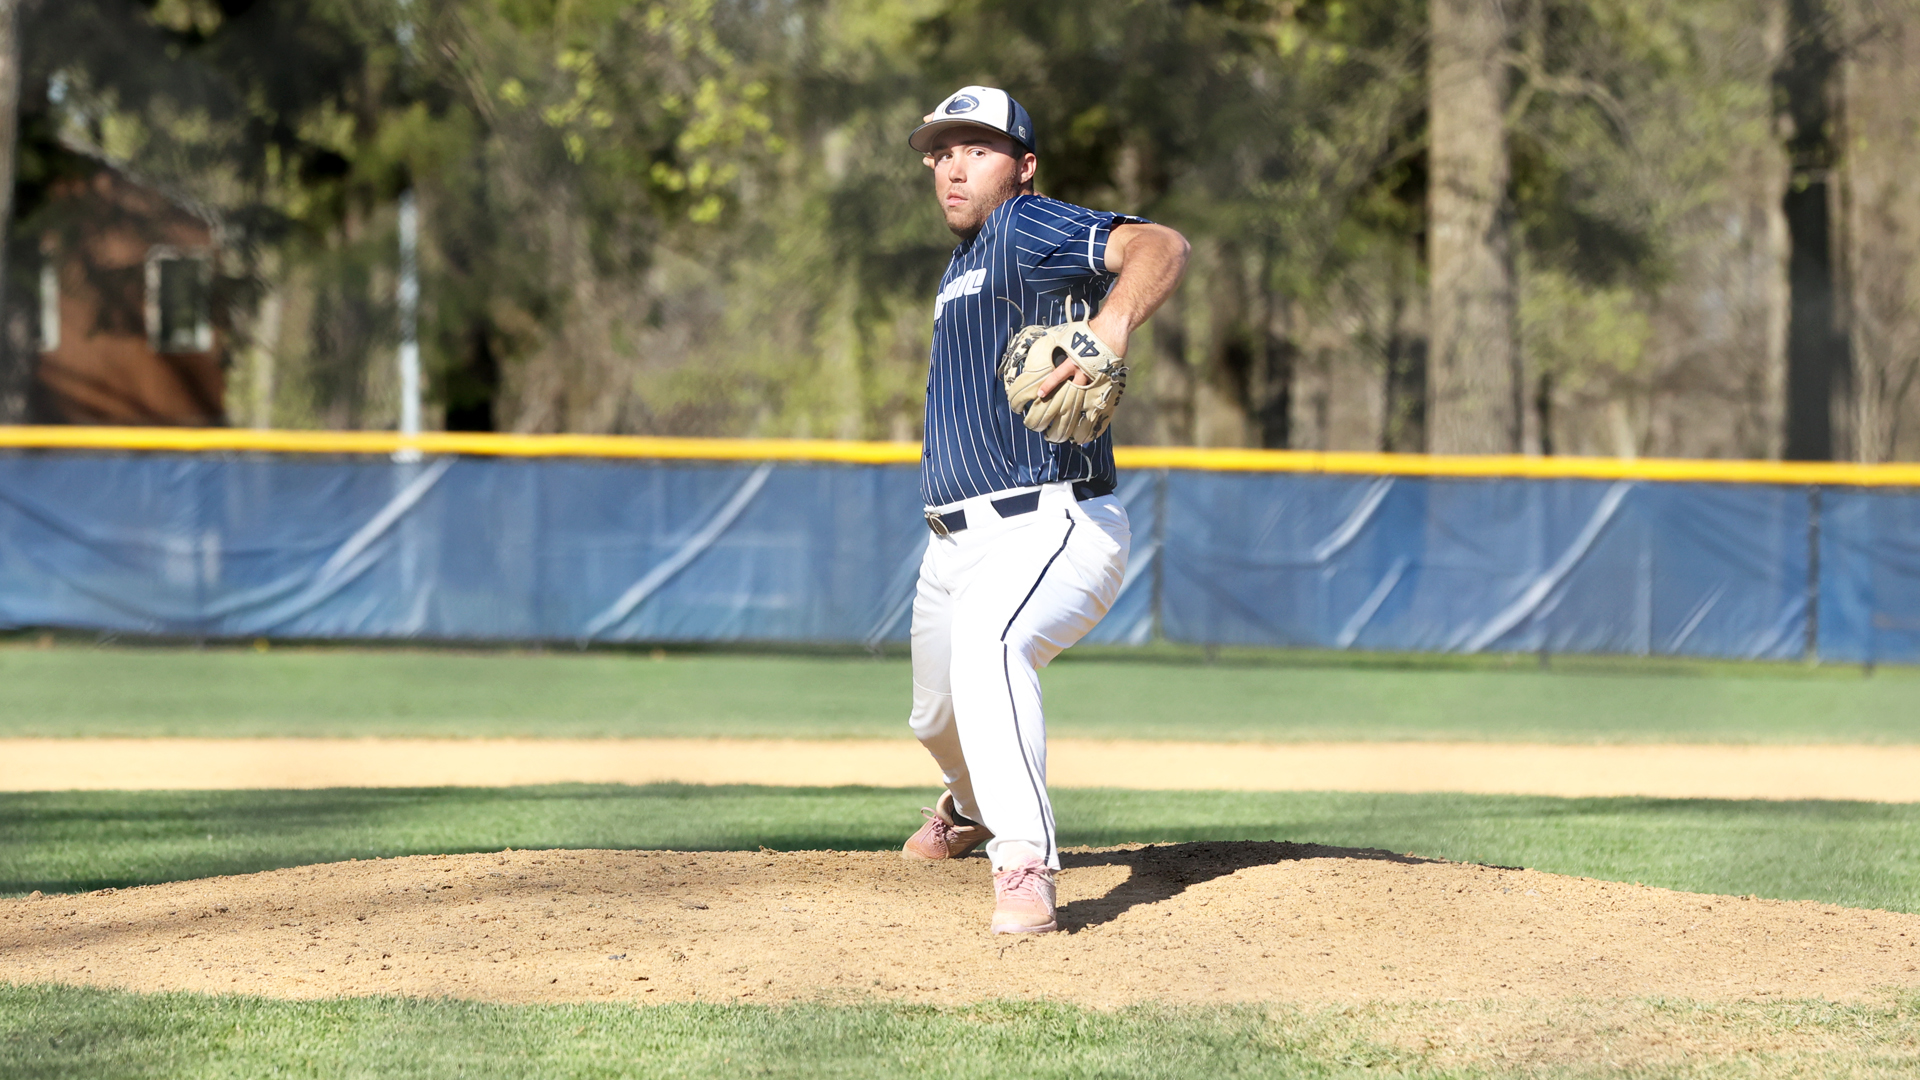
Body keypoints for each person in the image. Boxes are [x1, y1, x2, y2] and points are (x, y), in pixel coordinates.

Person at [897, 86, 1189, 933]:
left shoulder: (1026, 228)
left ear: (1022, 167)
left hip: (1051, 523)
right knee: (931, 717)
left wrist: (1112, 324)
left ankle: (1023, 862)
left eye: (978, 148)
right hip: (951, 544)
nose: (955, 164)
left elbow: (1158, 244)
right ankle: (969, 801)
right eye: (943, 150)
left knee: (994, 646)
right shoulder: (963, 264)